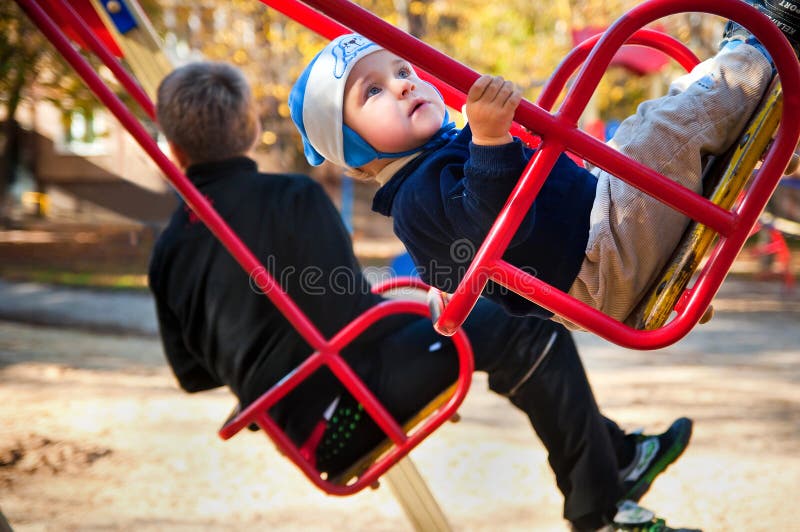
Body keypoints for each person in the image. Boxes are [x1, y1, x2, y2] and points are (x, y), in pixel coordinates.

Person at [150, 62, 695, 531]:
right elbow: (346, 315)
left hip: (304, 428)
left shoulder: (168, 248)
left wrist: (255, 354)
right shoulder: (289, 196)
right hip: (351, 399)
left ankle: (615, 460)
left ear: (172, 146)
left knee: (478, 322)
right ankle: (598, 505)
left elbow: (193, 376)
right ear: (248, 128)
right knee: (520, 326)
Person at [288, 1, 795, 326]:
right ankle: (766, 43)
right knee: (657, 132)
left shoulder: (439, 161)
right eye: (372, 91)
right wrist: (489, 138)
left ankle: (771, 123)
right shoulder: (415, 202)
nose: (402, 83)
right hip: (598, 265)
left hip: (601, 233)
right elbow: (483, 237)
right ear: (356, 156)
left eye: (402, 69)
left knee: (656, 123)